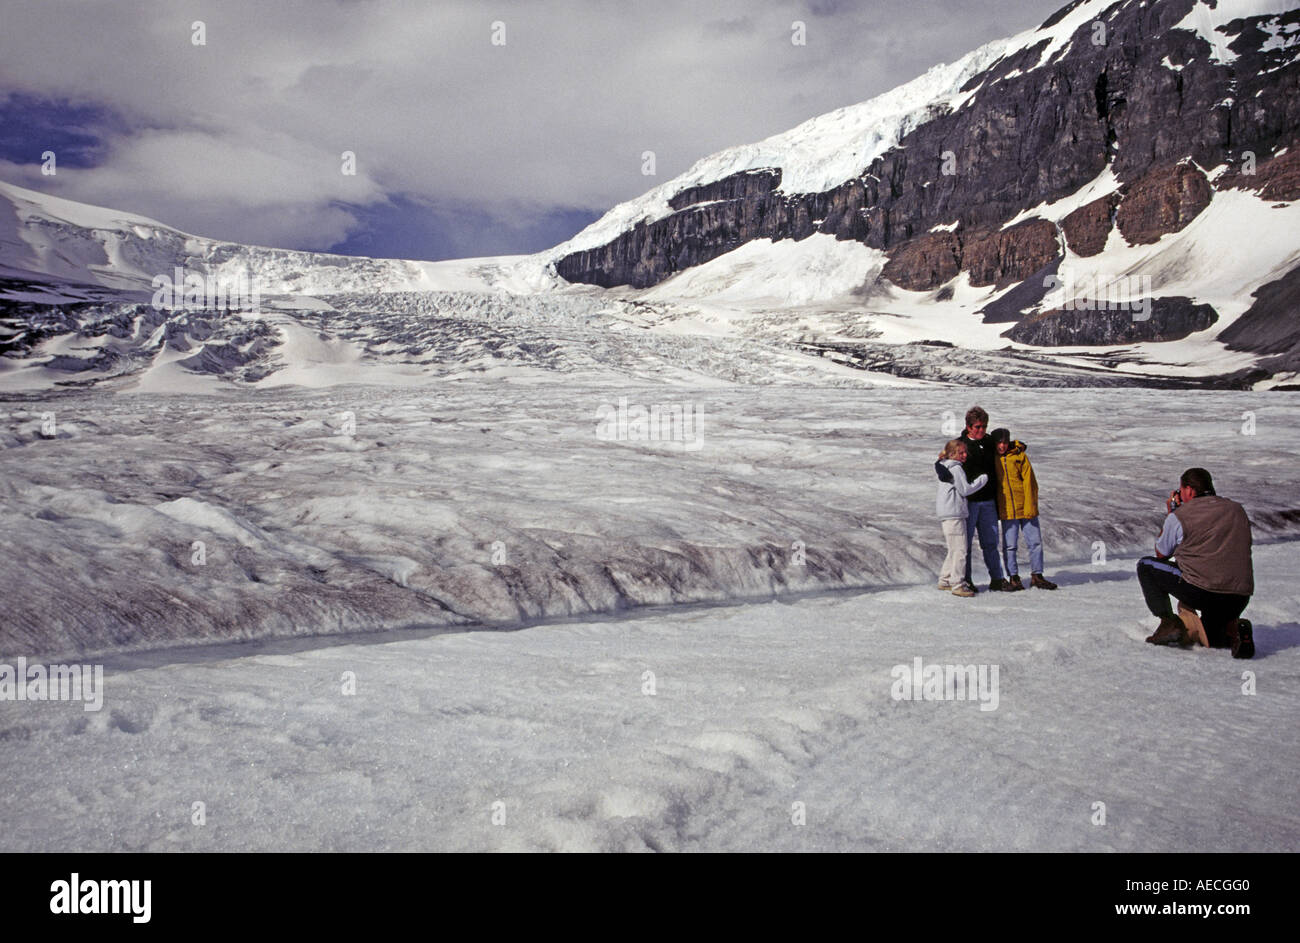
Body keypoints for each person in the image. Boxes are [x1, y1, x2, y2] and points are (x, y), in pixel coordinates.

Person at [1137, 467, 1255, 658]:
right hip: (1239, 595)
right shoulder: (1237, 509)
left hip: (1203, 592)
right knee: (1212, 639)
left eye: (1181, 490)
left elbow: (1161, 554)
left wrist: (1172, 514)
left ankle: (1168, 623)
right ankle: (1235, 630)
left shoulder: (1181, 516)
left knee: (1146, 566)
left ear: (1190, 490)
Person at [989, 427, 1056, 591]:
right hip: (1007, 508)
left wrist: (1031, 505)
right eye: (999, 443)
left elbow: (1029, 482)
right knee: (1010, 545)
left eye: (1005, 442)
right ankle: (1014, 577)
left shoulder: (1019, 456)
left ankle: (1037, 575)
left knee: (1035, 542)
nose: (1002, 446)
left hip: (1025, 506)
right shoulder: (991, 458)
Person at [935, 438, 988, 598]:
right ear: (952, 454)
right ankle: (957, 583)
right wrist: (982, 480)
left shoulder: (945, 466)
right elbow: (965, 489)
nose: (965, 455)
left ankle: (945, 579)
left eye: (965, 452)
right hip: (954, 513)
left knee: (953, 549)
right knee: (960, 550)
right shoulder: (956, 468)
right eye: (961, 452)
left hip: (947, 513)